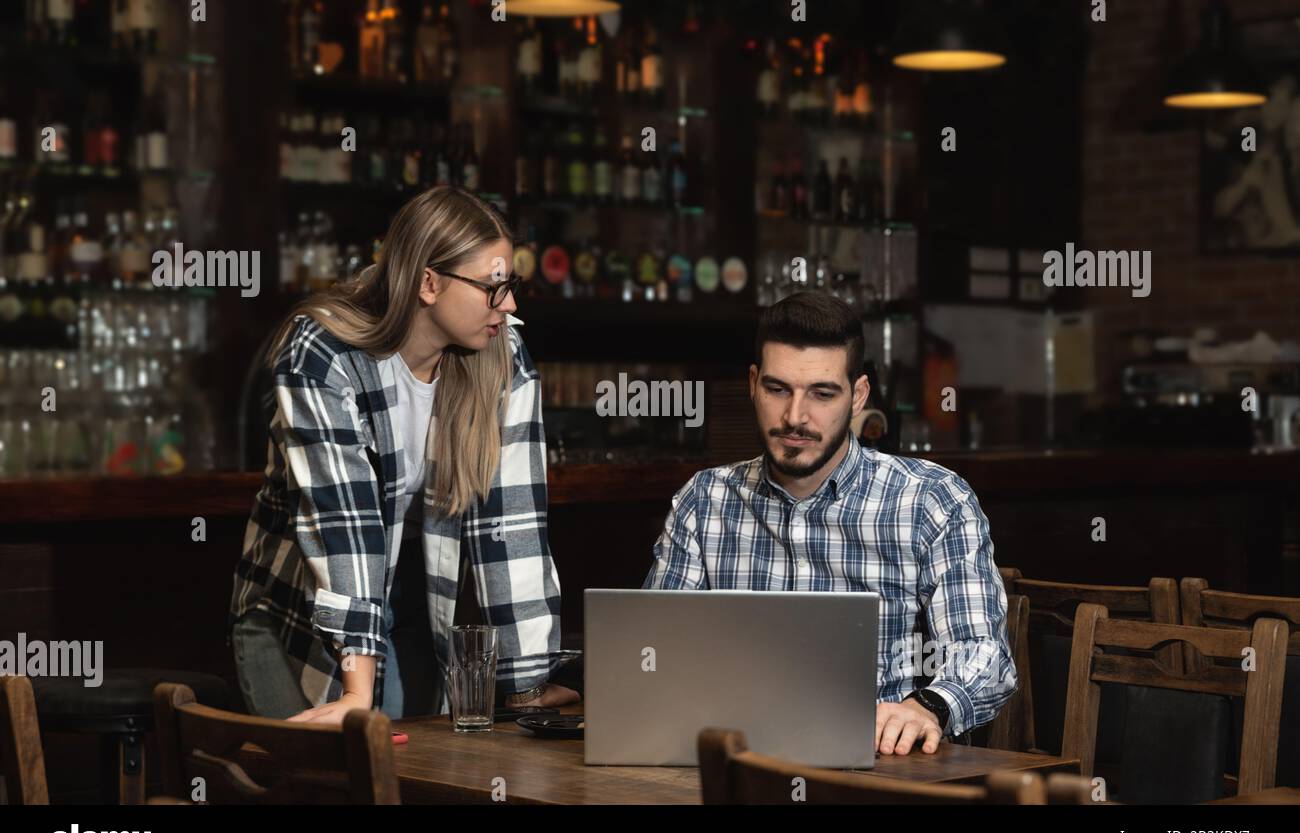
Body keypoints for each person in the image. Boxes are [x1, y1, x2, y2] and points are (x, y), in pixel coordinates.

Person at [230, 186, 578, 725]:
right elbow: (346, 526)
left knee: (410, 769)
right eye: (493, 287)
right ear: (428, 282)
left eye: (510, 285)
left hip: (412, 594)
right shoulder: (323, 352)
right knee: (349, 764)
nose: (509, 304)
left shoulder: (502, 352)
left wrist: (526, 682)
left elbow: (512, 525)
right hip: (295, 609)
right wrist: (355, 695)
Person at [643, 291, 1016, 755]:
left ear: (858, 396)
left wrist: (927, 707)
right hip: (737, 765)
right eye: (778, 389)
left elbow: (984, 655)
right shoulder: (705, 500)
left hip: (882, 770)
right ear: (753, 384)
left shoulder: (931, 500)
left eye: (822, 393)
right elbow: (655, 651)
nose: (795, 416)